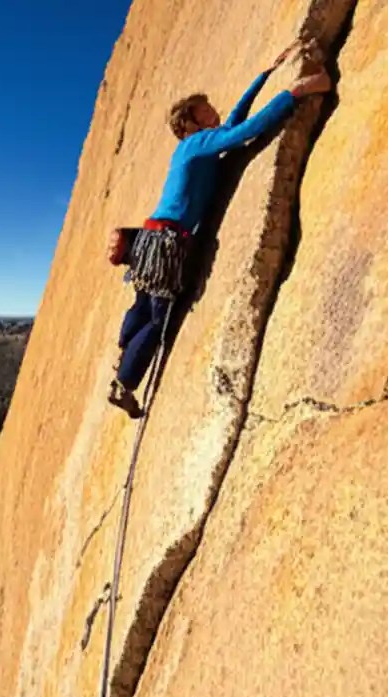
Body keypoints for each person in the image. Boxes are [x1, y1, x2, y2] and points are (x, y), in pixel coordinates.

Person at [107, 39, 333, 418]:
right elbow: (244, 132)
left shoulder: (190, 147)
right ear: (191, 122)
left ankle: (122, 351)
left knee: (143, 302)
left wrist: (262, 75)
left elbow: (232, 123)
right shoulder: (199, 143)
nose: (214, 110)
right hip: (166, 244)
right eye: (205, 109)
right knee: (160, 320)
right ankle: (124, 385)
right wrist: (294, 92)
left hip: (149, 239)